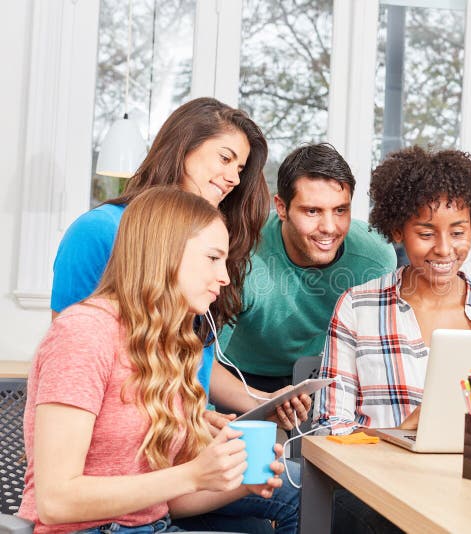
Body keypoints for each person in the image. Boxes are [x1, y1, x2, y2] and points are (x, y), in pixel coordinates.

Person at [50, 98, 307, 533]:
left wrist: (255, 404)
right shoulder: (99, 240)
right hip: (136, 456)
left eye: (241, 168)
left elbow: (193, 363)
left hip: (174, 444)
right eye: (225, 158)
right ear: (183, 147)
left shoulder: (202, 257)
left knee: (300, 499)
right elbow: (79, 362)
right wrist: (183, 425)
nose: (233, 177)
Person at [19, 188, 287, 533]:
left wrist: (237, 482)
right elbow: (56, 501)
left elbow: (163, 501)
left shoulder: (165, 344)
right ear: (166, 254)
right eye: (213, 258)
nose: (224, 276)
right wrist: (191, 473)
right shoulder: (83, 334)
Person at [314, 145, 471, 434]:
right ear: (398, 231)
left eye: (458, 233)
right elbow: (328, 427)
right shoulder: (358, 308)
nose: (445, 249)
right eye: (426, 234)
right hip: (376, 475)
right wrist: (396, 434)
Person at [219, 143, 397, 392]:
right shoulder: (240, 252)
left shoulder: (376, 255)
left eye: (340, 210)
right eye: (312, 211)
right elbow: (203, 359)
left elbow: (377, 350)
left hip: (326, 376)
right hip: (241, 376)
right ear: (282, 208)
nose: (329, 227)